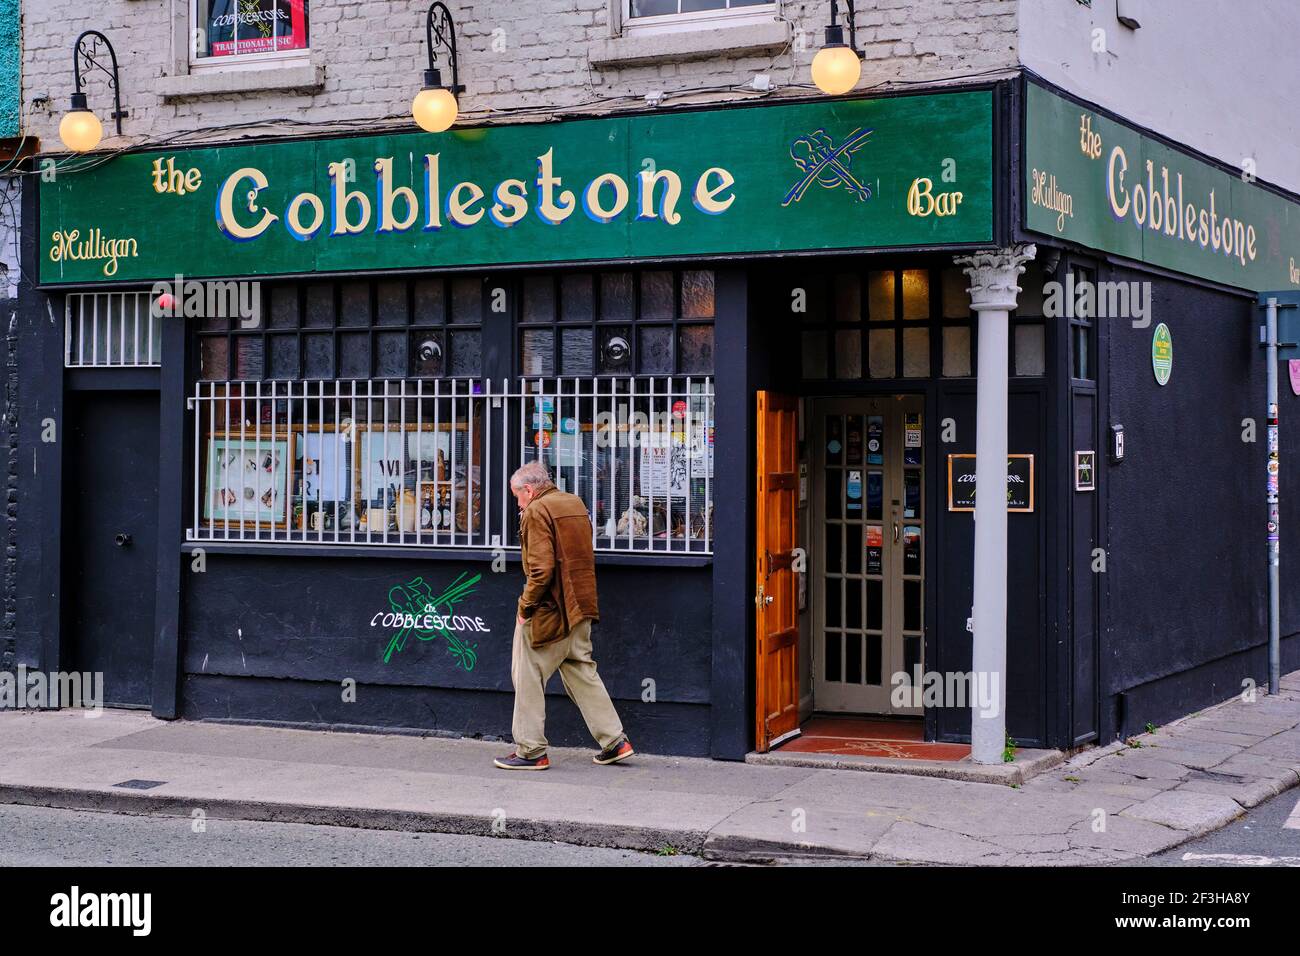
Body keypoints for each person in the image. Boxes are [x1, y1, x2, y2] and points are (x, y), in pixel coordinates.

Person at [494, 460, 634, 770]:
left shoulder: (535, 512)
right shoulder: (573, 503)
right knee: (582, 672)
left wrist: (524, 608)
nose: (517, 502)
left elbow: (542, 570)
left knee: (528, 675)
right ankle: (614, 741)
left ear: (529, 490)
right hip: (580, 606)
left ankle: (531, 751)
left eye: (517, 496)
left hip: (549, 611)